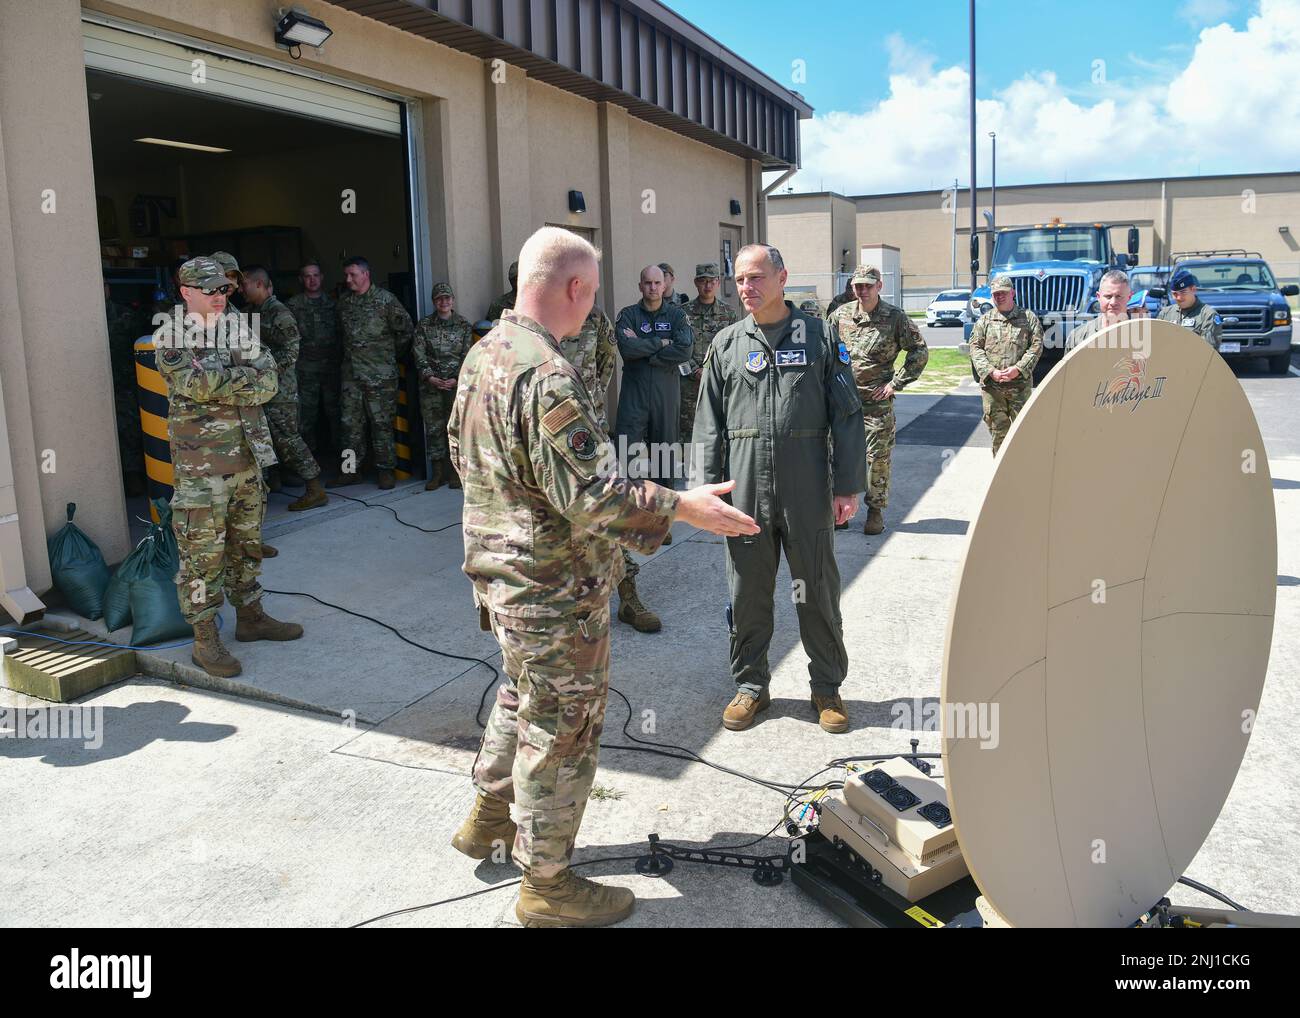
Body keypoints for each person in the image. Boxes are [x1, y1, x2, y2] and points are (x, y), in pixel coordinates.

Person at [448, 226, 758, 927]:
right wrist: (685, 507)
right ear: (575, 288)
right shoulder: (547, 373)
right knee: (562, 728)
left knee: (520, 696)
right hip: (551, 590)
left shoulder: (483, 354)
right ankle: (548, 885)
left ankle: (490, 817)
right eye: (592, 295)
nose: (592, 310)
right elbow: (596, 497)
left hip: (500, 574)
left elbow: (463, 461)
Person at [692, 243, 866, 734]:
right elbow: (708, 425)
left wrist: (849, 485)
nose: (746, 288)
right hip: (745, 488)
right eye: (740, 280)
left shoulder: (819, 336)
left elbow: (847, 414)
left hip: (807, 485)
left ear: (782, 277)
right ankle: (751, 686)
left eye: (756, 277)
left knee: (816, 590)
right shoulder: (727, 343)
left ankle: (827, 687)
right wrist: (705, 493)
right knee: (747, 591)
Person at [154, 257, 303, 678]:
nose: (221, 296)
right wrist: (244, 380)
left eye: (224, 290)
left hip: (247, 459)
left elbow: (270, 378)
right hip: (202, 469)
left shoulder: (238, 328)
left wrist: (231, 381)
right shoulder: (171, 336)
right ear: (186, 292)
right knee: (203, 557)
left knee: (247, 545)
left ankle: (251, 617)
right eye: (210, 290)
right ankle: (204, 637)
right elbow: (195, 385)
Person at [829, 265, 928, 536]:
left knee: (877, 458)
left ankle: (875, 511)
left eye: (868, 286)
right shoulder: (841, 315)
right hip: (844, 402)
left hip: (876, 404)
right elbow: (825, 350)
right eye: (858, 286)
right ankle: (841, 510)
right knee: (840, 455)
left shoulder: (894, 317)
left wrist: (895, 384)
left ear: (879, 287)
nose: (862, 291)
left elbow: (918, 351)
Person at [239, 266, 327, 510]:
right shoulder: (252, 313)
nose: (240, 289)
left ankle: (314, 488)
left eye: (244, 284)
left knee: (288, 440)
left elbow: (292, 351)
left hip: (280, 392)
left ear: (259, 284)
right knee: (263, 440)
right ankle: (269, 486)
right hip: (259, 390)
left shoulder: (279, 313)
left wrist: (263, 370)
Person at [331, 255, 414, 490]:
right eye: (346, 275)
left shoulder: (386, 301)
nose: (348, 279)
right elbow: (340, 336)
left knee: (382, 424)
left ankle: (385, 471)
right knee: (349, 425)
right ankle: (350, 471)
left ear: (366, 275)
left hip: (380, 376)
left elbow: (406, 331)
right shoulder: (344, 304)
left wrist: (387, 356)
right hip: (351, 376)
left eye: (352, 275)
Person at [614, 265, 693, 497]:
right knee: (625, 453)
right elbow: (627, 348)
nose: (653, 287)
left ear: (665, 284)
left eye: (658, 283)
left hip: (665, 394)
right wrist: (662, 343)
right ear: (640, 286)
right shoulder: (628, 315)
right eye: (648, 283)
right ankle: (628, 509)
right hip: (634, 394)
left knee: (664, 457)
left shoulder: (677, 315)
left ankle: (664, 514)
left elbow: (685, 350)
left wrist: (647, 352)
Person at [968, 275, 1044, 456]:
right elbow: (975, 347)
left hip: (1019, 388)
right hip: (993, 390)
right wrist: (990, 371)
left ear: (1013, 293)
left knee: (1022, 435)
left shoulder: (1028, 318)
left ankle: (1023, 474)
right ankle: (1002, 479)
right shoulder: (984, 321)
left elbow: (1036, 346)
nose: (999, 297)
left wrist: (1019, 369)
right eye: (995, 294)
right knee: (998, 435)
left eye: (1003, 293)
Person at [413, 282, 473, 490]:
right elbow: (418, 354)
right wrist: (429, 377)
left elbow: (468, 354)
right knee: (434, 429)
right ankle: (437, 474)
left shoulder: (464, 325)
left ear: (453, 300)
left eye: (447, 298)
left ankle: (455, 473)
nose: (443, 302)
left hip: (455, 385)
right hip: (432, 387)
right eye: (439, 298)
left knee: (456, 428)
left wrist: (457, 377)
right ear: (433, 302)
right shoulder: (424, 326)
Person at [287, 262, 342, 456]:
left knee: (337, 415)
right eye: (307, 276)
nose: (312, 280)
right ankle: (307, 461)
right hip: (305, 371)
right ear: (301, 279)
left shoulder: (335, 305)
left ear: (322, 277)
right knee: (305, 418)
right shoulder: (292, 306)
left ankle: (342, 462)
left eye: (316, 275)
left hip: (332, 370)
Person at [681, 262, 740, 442]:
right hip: (689, 386)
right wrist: (694, 370)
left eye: (711, 281)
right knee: (689, 434)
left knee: (718, 430)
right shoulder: (682, 313)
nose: (707, 286)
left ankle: (719, 470)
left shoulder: (729, 314)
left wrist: (710, 371)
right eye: (703, 281)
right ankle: (692, 470)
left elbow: (733, 350)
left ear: (718, 282)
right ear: (695, 283)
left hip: (718, 383)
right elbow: (677, 349)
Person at [104, 281, 146, 497]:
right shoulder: (85, 315)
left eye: (104, 286)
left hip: (127, 386)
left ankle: (135, 477)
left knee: (131, 431)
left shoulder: (125, 316)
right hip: (100, 386)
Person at [1068, 269, 1147, 348]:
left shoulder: (1146, 337)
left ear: (1129, 297)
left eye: (1119, 296)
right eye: (1108, 296)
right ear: (1098, 297)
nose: (1113, 302)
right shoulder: (1078, 338)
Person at [1157, 269, 1222, 349]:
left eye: (1183, 292)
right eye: (1175, 294)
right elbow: (1156, 343)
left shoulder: (1208, 315)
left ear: (1193, 289)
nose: (1179, 297)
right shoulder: (1165, 314)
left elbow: (1208, 349)